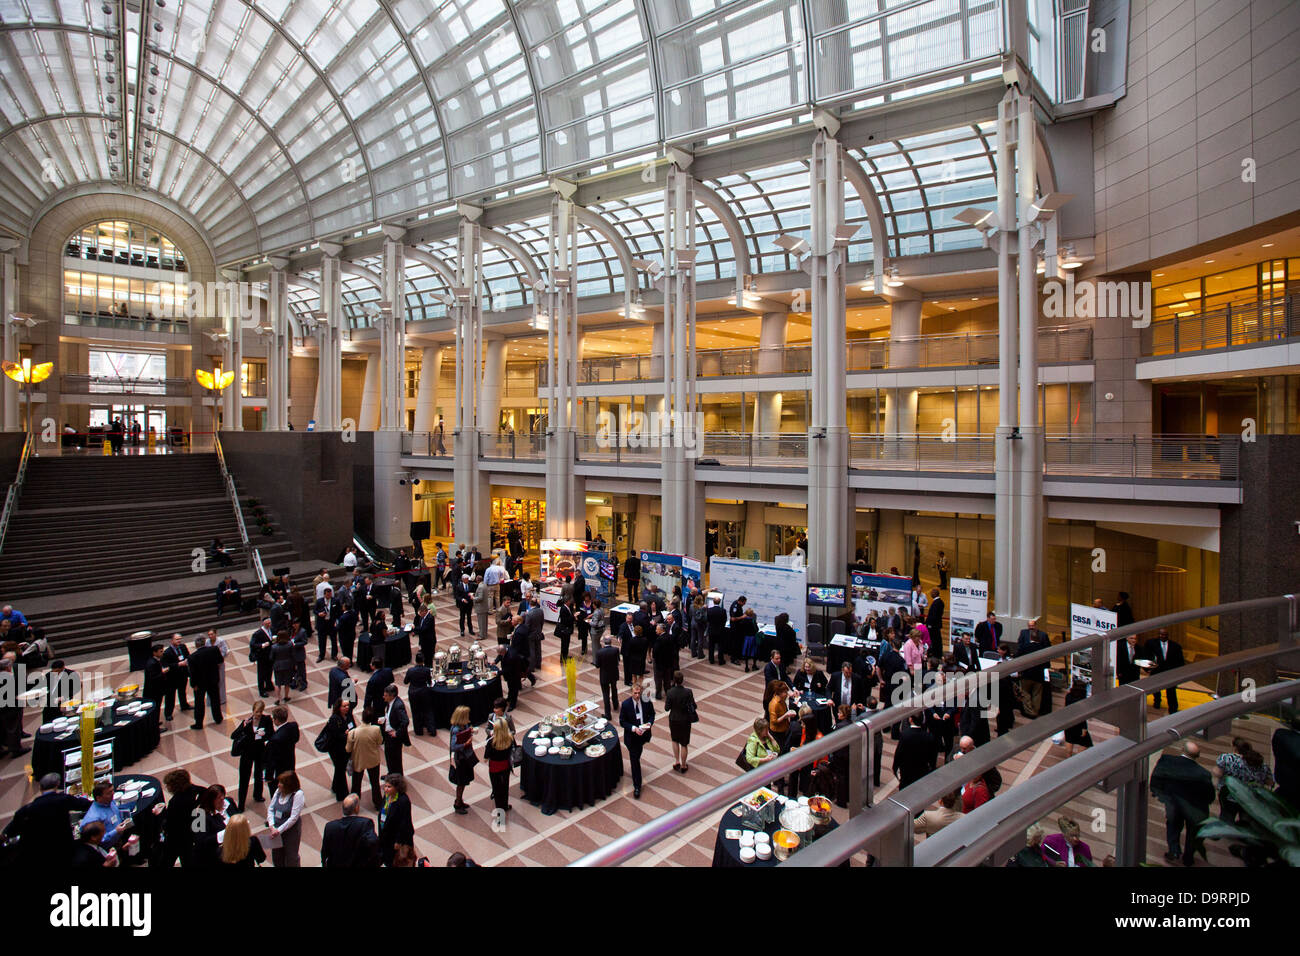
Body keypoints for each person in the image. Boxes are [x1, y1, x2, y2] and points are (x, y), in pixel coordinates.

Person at [1, 773, 91, 867]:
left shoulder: (27, 809)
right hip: (63, 846)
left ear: (40, 788)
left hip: (39, 852)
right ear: (57, 784)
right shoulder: (63, 799)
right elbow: (84, 804)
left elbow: (11, 830)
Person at [1150, 740, 1215, 866]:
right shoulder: (1203, 774)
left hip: (1174, 805)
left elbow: (1156, 778)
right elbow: (1210, 795)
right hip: (1195, 810)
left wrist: (1162, 797)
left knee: (1173, 827)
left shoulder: (1167, 760)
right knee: (1193, 834)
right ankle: (1188, 857)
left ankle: (1174, 851)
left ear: (1182, 749)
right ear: (1197, 756)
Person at [1213, 737, 1273, 823]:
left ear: (1235, 748)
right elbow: (1270, 782)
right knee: (1246, 820)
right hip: (1249, 798)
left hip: (1230, 796)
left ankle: (1222, 833)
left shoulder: (1227, 759)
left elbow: (1217, 773)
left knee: (1227, 816)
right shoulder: (1262, 765)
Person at [157, 768, 204, 868]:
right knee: (188, 860)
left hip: (176, 838)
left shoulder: (175, 802)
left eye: (168, 785)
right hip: (193, 833)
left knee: (166, 861)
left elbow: (169, 823)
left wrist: (160, 814)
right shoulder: (200, 790)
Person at [232, 700, 272, 812]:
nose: (258, 714)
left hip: (260, 751)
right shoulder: (247, 722)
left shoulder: (267, 720)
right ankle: (241, 803)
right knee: (244, 778)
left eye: (260, 711)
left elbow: (271, 734)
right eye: (256, 711)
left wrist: (265, 735)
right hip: (247, 753)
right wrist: (243, 726)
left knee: (259, 774)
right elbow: (233, 735)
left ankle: (258, 795)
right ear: (253, 711)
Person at [321, 794, 381, 868]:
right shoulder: (365, 824)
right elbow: (373, 843)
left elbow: (325, 851)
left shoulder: (330, 826)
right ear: (356, 808)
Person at [620, 677, 655, 798]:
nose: (637, 695)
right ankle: (637, 786)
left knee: (638, 753)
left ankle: (636, 769)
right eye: (635, 693)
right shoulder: (626, 705)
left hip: (643, 735)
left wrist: (649, 724)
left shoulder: (645, 701)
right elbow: (622, 722)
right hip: (632, 737)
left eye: (639, 693)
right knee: (635, 760)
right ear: (631, 693)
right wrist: (634, 728)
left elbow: (652, 714)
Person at [265, 770, 305, 867]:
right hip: (276, 829)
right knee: (277, 856)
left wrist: (278, 830)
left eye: (281, 783)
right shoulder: (278, 791)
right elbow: (271, 808)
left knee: (291, 856)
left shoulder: (297, 795)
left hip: (290, 831)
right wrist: (271, 825)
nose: (278, 785)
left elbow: (293, 818)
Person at [348, 706, 385, 809]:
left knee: (356, 784)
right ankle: (378, 803)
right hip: (373, 760)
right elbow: (380, 742)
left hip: (358, 760)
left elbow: (348, 749)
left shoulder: (353, 732)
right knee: (375, 783)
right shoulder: (376, 729)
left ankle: (353, 805)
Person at [1015, 620, 1051, 718]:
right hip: (1039, 674)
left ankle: (1029, 712)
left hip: (1027, 673)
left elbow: (1018, 653)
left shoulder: (1025, 647)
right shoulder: (1042, 650)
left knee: (1025, 693)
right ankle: (1035, 711)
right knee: (1037, 694)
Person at [893, 712, 939, 790]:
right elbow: (933, 757)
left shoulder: (905, 735)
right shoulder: (929, 736)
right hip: (922, 772)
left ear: (910, 719)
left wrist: (895, 768)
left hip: (906, 772)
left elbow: (898, 754)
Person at [323, 698, 357, 801]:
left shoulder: (349, 716)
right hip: (336, 749)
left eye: (347, 706)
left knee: (339, 769)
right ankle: (342, 794)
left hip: (346, 747)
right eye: (344, 706)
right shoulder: (334, 719)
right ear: (338, 707)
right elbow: (335, 735)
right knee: (340, 769)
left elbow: (353, 727)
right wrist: (345, 734)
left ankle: (335, 786)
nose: (347, 708)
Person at [378, 773, 414, 866]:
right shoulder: (386, 796)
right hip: (385, 834)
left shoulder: (403, 801)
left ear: (397, 788)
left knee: (397, 860)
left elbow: (405, 823)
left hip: (396, 838)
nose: (386, 789)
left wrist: (399, 841)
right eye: (385, 786)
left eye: (389, 787)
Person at [82, 779, 132, 848]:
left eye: (112, 791)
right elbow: (96, 839)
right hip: (109, 848)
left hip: (121, 839)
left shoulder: (109, 801)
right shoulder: (93, 818)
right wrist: (115, 831)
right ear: (99, 798)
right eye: (109, 793)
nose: (113, 794)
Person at [1144, 627, 1184, 712]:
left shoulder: (1176, 646)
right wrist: (1147, 669)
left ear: (1168, 635)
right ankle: (1157, 701)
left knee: (1171, 691)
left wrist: (1178, 674)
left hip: (1170, 673)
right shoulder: (1151, 643)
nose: (1162, 636)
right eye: (1161, 634)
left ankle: (1173, 708)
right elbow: (1146, 656)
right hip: (1156, 671)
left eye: (1164, 634)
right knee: (1156, 689)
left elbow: (1180, 661)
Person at [188, 634, 223, 730]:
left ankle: (199, 723)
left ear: (196, 645)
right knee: (215, 699)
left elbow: (192, 673)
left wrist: (193, 684)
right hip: (213, 680)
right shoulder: (214, 649)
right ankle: (218, 718)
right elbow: (220, 660)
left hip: (200, 684)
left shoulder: (192, 657)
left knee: (199, 703)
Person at [664, 670, 696, 773]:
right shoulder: (688, 692)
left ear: (674, 680)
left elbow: (666, 708)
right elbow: (694, 706)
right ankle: (683, 765)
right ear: (682, 680)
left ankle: (677, 761)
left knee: (674, 740)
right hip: (685, 720)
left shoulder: (670, 692)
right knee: (684, 743)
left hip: (674, 719)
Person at [448, 705, 478, 814]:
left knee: (464, 781)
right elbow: (453, 746)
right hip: (461, 759)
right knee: (461, 782)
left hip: (465, 757)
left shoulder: (464, 725)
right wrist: (465, 744)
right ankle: (458, 802)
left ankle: (460, 800)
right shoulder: (456, 729)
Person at [483, 717, 515, 814]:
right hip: (506, 766)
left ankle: (500, 811)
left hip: (494, 768)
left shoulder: (491, 742)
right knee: (505, 787)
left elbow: (485, 758)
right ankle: (505, 805)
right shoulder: (510, 739)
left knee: (497, 790)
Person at [379, 684, 411, 774]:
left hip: (394, 738)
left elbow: (405, 721)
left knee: (395, 758)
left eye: (385, 695)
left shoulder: (398, 706)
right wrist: (384, 719)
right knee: (389, 757)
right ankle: (391, 773)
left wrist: (397, 733)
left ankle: (397, 777)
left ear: (391, 696)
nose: (383, 697)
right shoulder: (391, 703)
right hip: (388, 734)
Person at [404, 652, 436, 738]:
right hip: (424, 692)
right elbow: (429, 682)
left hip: (413, 693)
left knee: (415, 712)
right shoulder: (426, 670)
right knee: (428, 711)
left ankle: (419, 731)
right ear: (423, 661)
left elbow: (405, 681)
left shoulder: (410, 671)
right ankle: (432, 730)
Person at [161, 632, 191, 719]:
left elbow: (188, 656)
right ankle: (168, 713)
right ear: (172, 641)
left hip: (183, 674)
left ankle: (184, 705)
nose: (179, 641)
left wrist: (187, 662)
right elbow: (166, 666)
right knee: (170, 696)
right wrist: (178, 664)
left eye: (180, 639)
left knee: (182, 691)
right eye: (177, 639)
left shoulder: (183, 647)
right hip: (172, 678)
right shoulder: (167, 652)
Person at [266, 704, 299, 779]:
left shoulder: (275, 739)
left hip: (280, 769)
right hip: (290, 762)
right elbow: (296, 739)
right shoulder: (294, 726)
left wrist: (268, 776)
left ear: (276, 720)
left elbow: (272, 759)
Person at [1062, 678, 1093, 755]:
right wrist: (1084, 728)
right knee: (1086, 742)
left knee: (1069, 739)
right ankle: (1078, 757)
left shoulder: (1068, 696)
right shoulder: (1082, 700)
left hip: (1068, 722)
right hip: (1079, 725)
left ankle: (1068, 756)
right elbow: (1082, 716)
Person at [594, 635, 620, 720]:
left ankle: (608, 714)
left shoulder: (600, 652)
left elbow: (597, 665)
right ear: (611, 641)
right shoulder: (615, 650)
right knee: (614, 689)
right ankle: (616, 705)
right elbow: (618, 661)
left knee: (606, 694)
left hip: (604, 675)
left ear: (604, 642)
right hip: (613, 673)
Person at [249, 619, 275, 698]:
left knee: (269, 671)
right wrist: (262, 645)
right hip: (262, 656)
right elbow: (252, 644)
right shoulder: (258, 633)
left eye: (270, 623)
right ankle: (262, 690)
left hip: (270, 655)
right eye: (267, 623)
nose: (269, 624)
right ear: (263, 623)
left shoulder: (272, 630)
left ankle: (268, 685)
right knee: (261, 674)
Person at [766, 679, 793, 751]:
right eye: (785, 692)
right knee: (779, 750)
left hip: (784, 729)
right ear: (779, 693)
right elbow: (774, 721)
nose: (787, 693)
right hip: (777, 732)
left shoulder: (782, 700)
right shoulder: (774, 704)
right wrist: (785, 716)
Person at [315, 587, 341, 662]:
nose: (329, 596)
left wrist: (335, 619)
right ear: (324, 594)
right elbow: (315, 610)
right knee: (322, 641)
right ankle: (321, 655)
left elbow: (339, 611)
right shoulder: (319, 601)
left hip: (331, 623)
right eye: (327, 595)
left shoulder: (335, 601)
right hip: (322, 624)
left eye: (330, 594)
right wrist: (319, 614)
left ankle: (334, 655)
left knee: (334, 640)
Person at [269, 631, 296, 704]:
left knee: (278, 683)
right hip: (288, 666)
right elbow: (293, 655)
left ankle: (278, 699)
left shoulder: (274, 647)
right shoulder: (290, 644)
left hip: (278, 666)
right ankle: (286, 696)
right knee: (287, 683)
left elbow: (271, 657)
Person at [706, 595, 729, 665]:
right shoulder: (723, 611)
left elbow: (708, 620)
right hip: (720, 631)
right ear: (719, 602)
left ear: (713, 602)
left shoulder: (709, 610)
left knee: (711, 646)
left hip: (712, 630)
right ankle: (720, 660)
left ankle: (711, 659)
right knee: (720, 646)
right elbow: (725, 620)